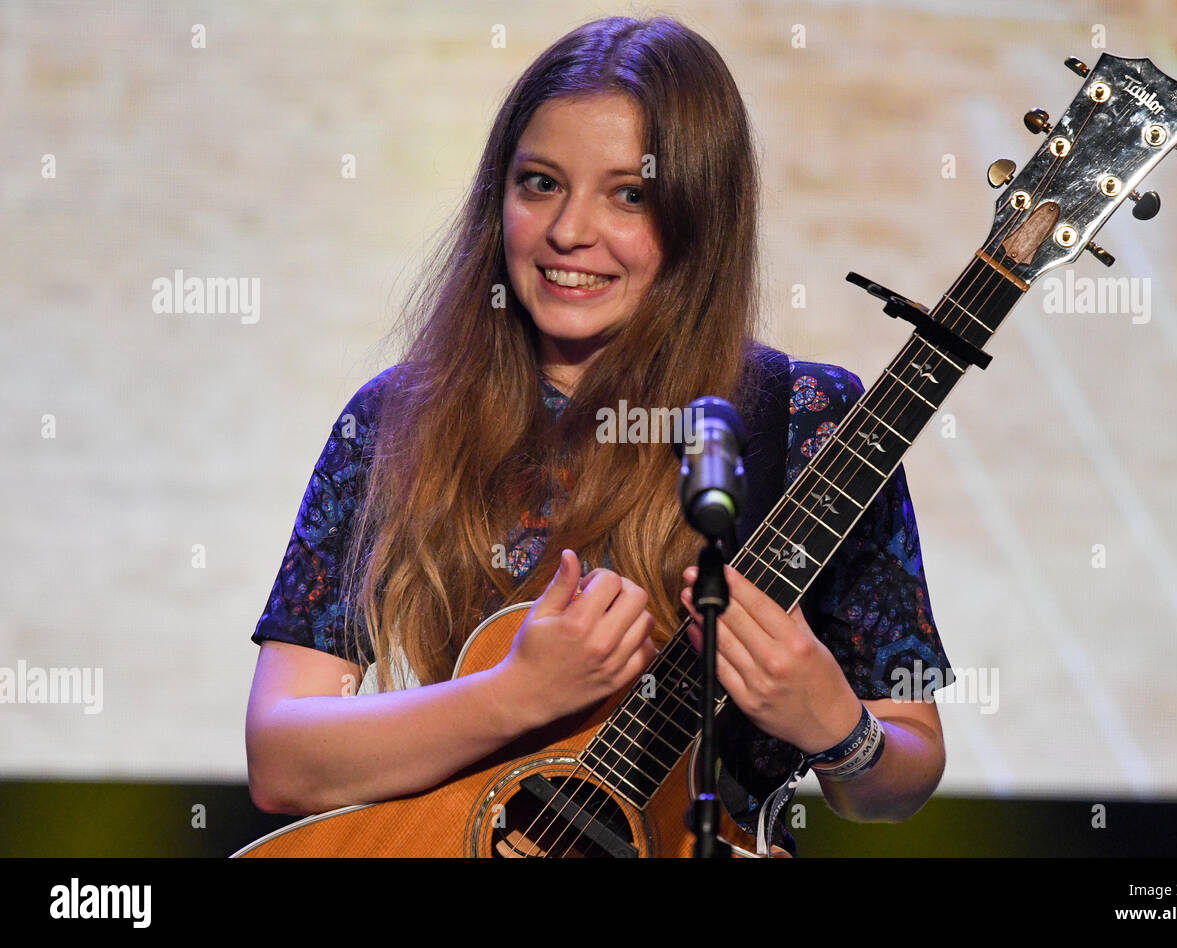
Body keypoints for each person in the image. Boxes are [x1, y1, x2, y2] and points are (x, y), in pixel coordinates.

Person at [245, 15, 951, 857]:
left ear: (699, 217)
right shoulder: (396, 419)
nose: (569, 231)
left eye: (629, 194)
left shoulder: (809, 421)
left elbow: (902, 774)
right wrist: (516, 694)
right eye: (540, 183)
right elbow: (282, 758)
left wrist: (839, 728)